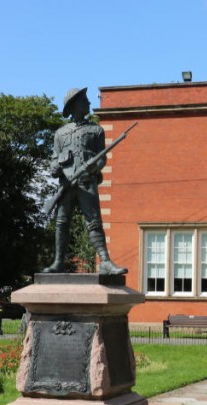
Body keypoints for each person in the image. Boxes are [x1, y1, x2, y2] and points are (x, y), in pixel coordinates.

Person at [43, 87, 127, 275]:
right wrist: (55, 167)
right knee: (61, 222)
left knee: (94, 222)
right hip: (66, 184)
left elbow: (102, 158)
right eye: (84, 100)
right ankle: (58, 262)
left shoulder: (96, 130)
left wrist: (94, 167)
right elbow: (55, 158)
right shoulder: (60, 133)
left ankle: (105, 261)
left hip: (87, 182)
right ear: (75, 105)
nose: (89, 103)